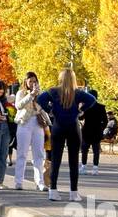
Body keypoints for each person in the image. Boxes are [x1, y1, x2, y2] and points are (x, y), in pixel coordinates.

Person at [37, 69, 95, 201]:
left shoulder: (53, 91)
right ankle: (73, 193)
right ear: (73, 79)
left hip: (58, 126)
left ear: (61, 78)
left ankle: (53, 190)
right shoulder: (78, 93)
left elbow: (40, 99)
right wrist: (81, 110)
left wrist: (51, 110)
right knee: (73, 161)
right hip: (73, 127)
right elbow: (92, 99)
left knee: (56, 160)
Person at [13, 72, 50, 190]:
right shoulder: (21, 93)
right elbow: (18, 106)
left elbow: (44, 107)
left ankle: (40, 182)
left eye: (35, 81)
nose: (33, 83)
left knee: (39, 153)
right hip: (24, 123)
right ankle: (18, 181)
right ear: (26, 82)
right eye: (30, 81)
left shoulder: (40, 93)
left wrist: (38, 96)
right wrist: (30, 95)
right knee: (22, 153)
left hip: (37, 123)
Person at [80, 87, 109, 174]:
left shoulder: (86, 107)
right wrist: (101, 128)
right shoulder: (101, 107)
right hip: (96, 131)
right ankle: (95, 168)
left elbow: (80, 117)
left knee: (85, 150)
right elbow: (105, 121)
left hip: (86, 131)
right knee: (95, 151)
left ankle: (83, 167)